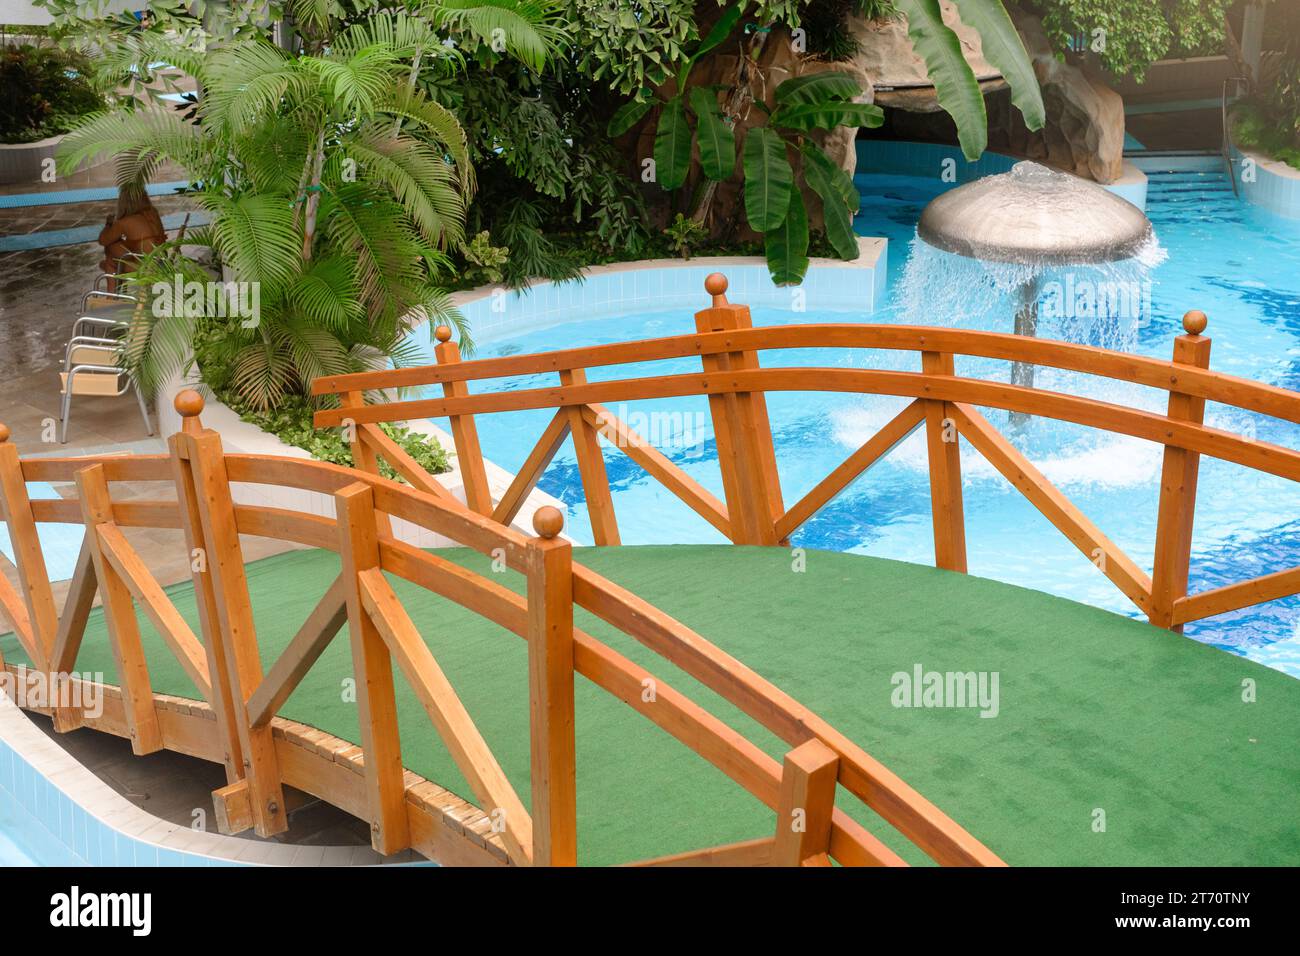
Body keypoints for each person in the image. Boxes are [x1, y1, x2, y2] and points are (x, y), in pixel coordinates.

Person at [97, 189, 167, 291]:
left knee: (110, 257)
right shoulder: (153, 213)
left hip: (148, 269)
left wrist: (108, 224)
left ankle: (113, 298)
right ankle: (117, 293)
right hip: (163, 263)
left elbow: (103, 240)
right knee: (114, 250)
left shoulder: (124, 222)